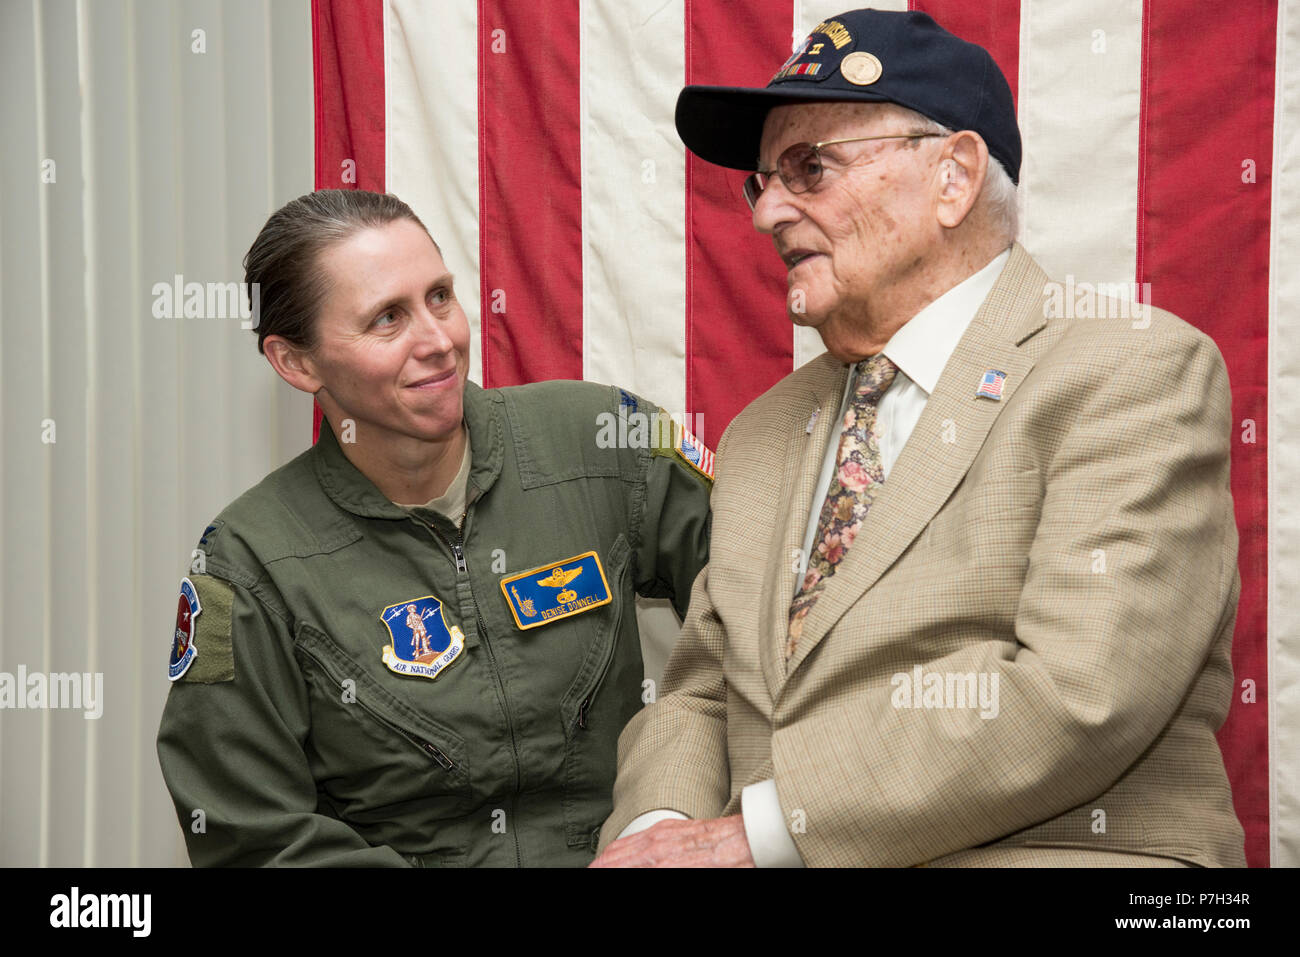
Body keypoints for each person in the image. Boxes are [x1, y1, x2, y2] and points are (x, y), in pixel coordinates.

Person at [592, 8, 1245, 867]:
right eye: (764, 182)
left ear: (953, 176)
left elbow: (1078, 695)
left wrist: (756, 838)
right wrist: (657, 830)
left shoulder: (1131, 373)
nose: (766, 214)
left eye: (808, 168)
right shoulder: (764, 431)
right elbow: (702, 690)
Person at [156, 189, 712, 866]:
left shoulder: (604, 442)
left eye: (440, 296)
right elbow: (249, 835)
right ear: (296, 362)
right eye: (388, 318)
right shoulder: (248, 565)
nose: (439, 340)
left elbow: (774, 617)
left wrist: (700, 816)